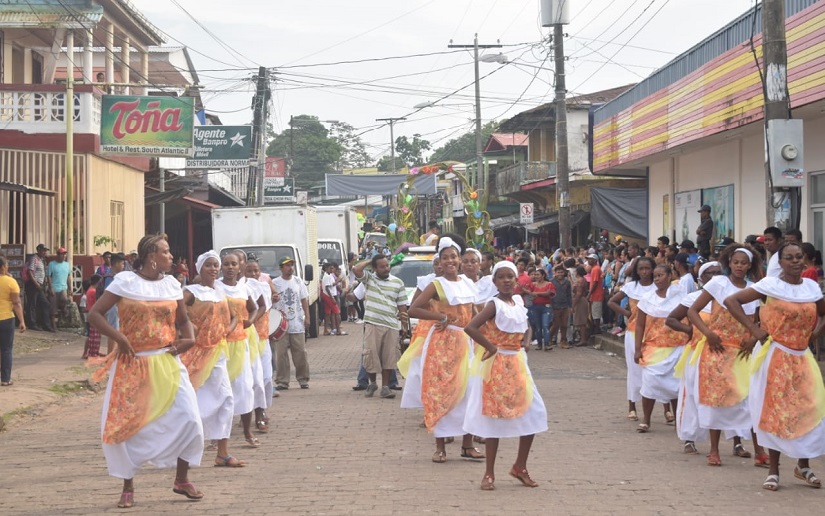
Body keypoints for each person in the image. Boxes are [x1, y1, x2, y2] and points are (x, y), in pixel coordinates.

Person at [88, 234, 204, 508]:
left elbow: (184, 321)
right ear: (152, 255)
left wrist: (189, 340)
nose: (171, 257)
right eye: (166, 252)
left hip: (167, 361)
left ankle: (182, 479)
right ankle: (128, 485)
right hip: (133, 362)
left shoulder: (172, 284)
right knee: (129, 426)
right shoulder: (125, 282)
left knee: (190, 419)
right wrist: (119, 338)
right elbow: (94, 314)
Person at [726, 242, 825, 491]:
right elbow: (732, 301)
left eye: (799, 257)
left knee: (808, 409)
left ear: (805, 260)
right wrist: (754, 329)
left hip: (802, 356)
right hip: (775, 355)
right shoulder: (770, 285)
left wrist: (814, 335)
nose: (795, 261)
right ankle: (773, 470)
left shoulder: (811, 287)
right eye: (789, 257)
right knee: (775, 410)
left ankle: (804, 466)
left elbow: (822, 312)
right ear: (779, 262)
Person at [463, 260, 548, 491]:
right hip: (497, 366)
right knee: (494, 417)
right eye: (502, 277)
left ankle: (520, 466)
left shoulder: (518, 301)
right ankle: (489, 473)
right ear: (495, 281)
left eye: (511, 276)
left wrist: (527, 341)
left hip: (518, 363)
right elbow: (470, 327)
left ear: (517, 279)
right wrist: (490, 347)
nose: (507, 280)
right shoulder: (493, 305)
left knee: (533, 411)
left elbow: (527, 325)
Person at [406, 235, 484, 463]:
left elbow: (475, 313)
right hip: (441, 343)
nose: (450, 261)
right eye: (445, 257)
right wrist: (438, 315)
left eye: (454, 257)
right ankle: (440, 447)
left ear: (459, 259)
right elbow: (414, 309)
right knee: (441, 392)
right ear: (439, 261)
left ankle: (467, 445)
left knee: (469, 392)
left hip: (466, 342)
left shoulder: (468, 284)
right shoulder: (436, 285)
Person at [687, 245, 766, 466]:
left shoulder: (754, 289)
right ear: (729, 263)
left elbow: (759, 320)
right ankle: (714, 450)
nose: (739, 266)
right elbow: (692, 311)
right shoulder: (718, 283)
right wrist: (708, 333)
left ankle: (759, 451)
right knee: (716, 400)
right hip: (717, 350)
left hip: (743, 352)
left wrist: (753, 337)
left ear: (750, 265)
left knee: (749, 400)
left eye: (744, 263)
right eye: (736, 262)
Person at [181, 251, 244, 468]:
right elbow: (175, 311)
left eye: (215, 265)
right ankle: (185, 451)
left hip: (218, 352)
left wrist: (228, 329)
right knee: (192, 402)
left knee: (226, 398)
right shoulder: (191, 292)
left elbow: (235, 316)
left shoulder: (220, 292)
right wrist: (190, 326)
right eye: (209, 265)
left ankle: (222, 453)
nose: (214, 269)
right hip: (196, 353)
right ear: (199, 268)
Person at [666, 261, 722, 454]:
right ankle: (689, 437)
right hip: (696, 354)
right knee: (691, 393)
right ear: (701, 278)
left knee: (724, 395)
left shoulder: (729, 297)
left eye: (718, 273)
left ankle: (736, 441)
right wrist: (690, 330)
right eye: (710, 273)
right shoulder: (693, 299)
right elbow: (671, 319)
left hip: (722, 354)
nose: (715, 277)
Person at [634, 264, 688, 433]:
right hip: (653, 348)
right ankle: (646, 419)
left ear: (670, 275)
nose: (657, 279)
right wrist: (637, 348)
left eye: (660, 275)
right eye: (655, 276)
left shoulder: (682, 296)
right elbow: (640, 325)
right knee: (649, 383)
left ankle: (679, 419)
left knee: (677, 386)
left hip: (677, 347)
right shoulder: (647, 299)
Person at [217, 252, 262, 447]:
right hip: (220, 344)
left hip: (241, 343)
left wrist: (249, 322)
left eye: (233, 264)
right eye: (225, 264)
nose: (229, 267)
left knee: (244, 388)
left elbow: (254, 308)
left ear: (239, 267)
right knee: (220, 389)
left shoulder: (244, 289)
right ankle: (217, 435)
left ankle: (246, 431)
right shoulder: (215, 287)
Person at [351, 254, 408, 399]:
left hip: (391, 325)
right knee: (370, 355)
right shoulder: (369, 279)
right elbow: (356, 269)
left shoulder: (398, 283)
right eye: (382, 266)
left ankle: (385, 387)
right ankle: (372, 383)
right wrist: (371, 260)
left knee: (389, 357)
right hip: (372, 324)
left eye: (387, 265)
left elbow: (402, 306)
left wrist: (405, 326)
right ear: (374, 268)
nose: (386, 268)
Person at [608, 257, 656, 421]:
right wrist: (627, 314)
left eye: (647, 268)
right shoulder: (631, 287)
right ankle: (632, 405)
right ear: (636, 270)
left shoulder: (659, 287)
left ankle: (665, 407)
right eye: (641, 269)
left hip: (655, 333)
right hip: (634, 332)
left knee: (657, 369)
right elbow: (612, 302)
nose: (644, 272)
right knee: (634, 369)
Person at [272, 256, 311, 390]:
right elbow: (269, 301)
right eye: (287, 266)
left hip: (297, 322)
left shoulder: (298, 281)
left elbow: (304, 300)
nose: (290, 268)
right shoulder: (275, 283)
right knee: (281, 354)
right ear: (281, 268)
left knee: (300, 352)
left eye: (291, 265)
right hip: (281, 325)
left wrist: (307, 317)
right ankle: (282, 381)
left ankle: (303, 379)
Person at [1, 255, 26, 386]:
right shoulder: (11, 282)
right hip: (6, 318)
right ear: (4, 267)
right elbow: (16, 303)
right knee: (6, 349)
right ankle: (5, 379)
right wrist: (21, 321)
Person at [524, 268, 555, 351]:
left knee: (545, 325)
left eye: (538, 274)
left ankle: (547, 344)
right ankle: (540, 344)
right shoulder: (533, 284)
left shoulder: (549, 284)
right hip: (535, 307)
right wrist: (522, 288)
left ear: (543, 275)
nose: (536, 276)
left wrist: (536, 293)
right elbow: (529, 293)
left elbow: (548, 293)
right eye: (535, 275)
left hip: (546, 307)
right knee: (537, 326)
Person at [25, 243, 52, 331]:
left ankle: (46, 325)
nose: (45, 252)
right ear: (39, 250)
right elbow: (30, 271)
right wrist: (36, 283)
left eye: (45, 251)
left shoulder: (42, 260)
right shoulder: (34, 258)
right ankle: (32, 324)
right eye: (43, 250)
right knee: (32, 304)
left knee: (45, 304)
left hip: (40, 285)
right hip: (33, 285)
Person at [47, 247, 72, 328]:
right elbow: (49, 276)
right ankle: (53, 324)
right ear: (58, 255)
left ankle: (63, 308)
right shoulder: (52, 264)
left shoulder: (67, 265)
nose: (64, 256)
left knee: (64, 299)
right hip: (54, 287)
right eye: (62, 254)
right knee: (53, 307)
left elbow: (68, 276)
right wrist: (50, 287)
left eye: (65, 254)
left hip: (63, 287)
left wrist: (70, 288)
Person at [548, 265, 572, 349]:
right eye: (558, 272)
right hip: (554, 306)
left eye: (561, 272)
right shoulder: (551, 282)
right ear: (555, 273)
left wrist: (571, 306)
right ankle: (549, 339)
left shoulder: (567, 282)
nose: (560, 274)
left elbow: (569, 295)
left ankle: (563, 341)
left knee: (564, 325)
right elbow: (549, 295)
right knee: (556, 324)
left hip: (565, 306)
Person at [81, 275, 102, 359]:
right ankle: (92, 352)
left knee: (91, 335)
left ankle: (89, 352)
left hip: (90, 313)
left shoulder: (90, 290)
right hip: (94, 314)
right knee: (94, 335)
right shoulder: (93, 291)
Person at [571, 265, 590, 346]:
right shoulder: (582, 280)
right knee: (580, 320)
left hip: (580, 301)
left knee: (581, 322)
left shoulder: (580, 281)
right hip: (581, 300)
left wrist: (573, 304)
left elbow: (578, 294)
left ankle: (583, 339)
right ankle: (582, 338)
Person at [586, 253, 604, 336]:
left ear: (595, 260)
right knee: (594, 312)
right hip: (595, 294)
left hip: (597, 294)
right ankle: (595, 328)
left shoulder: (596, 269)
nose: (589, 260)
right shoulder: (594, 269)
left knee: (596, 312)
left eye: (590, 259)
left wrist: (589, 293)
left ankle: (597, 328)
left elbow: (595, 283)